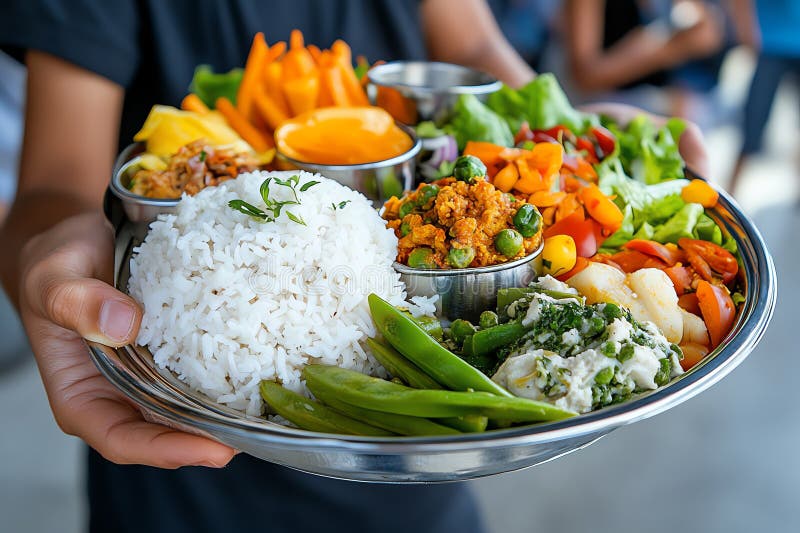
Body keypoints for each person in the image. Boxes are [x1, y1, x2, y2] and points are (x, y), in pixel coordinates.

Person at [0, 1, 708, 532]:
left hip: (416, 469)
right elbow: (51, 190)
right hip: (184, 460)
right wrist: (43, 257)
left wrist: (577, 133)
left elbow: (473, 46)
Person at [728, 0, 800, 195]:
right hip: (770, 43)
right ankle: (729, 196)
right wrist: (746, 31)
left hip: (782, 42)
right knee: (753, 122)